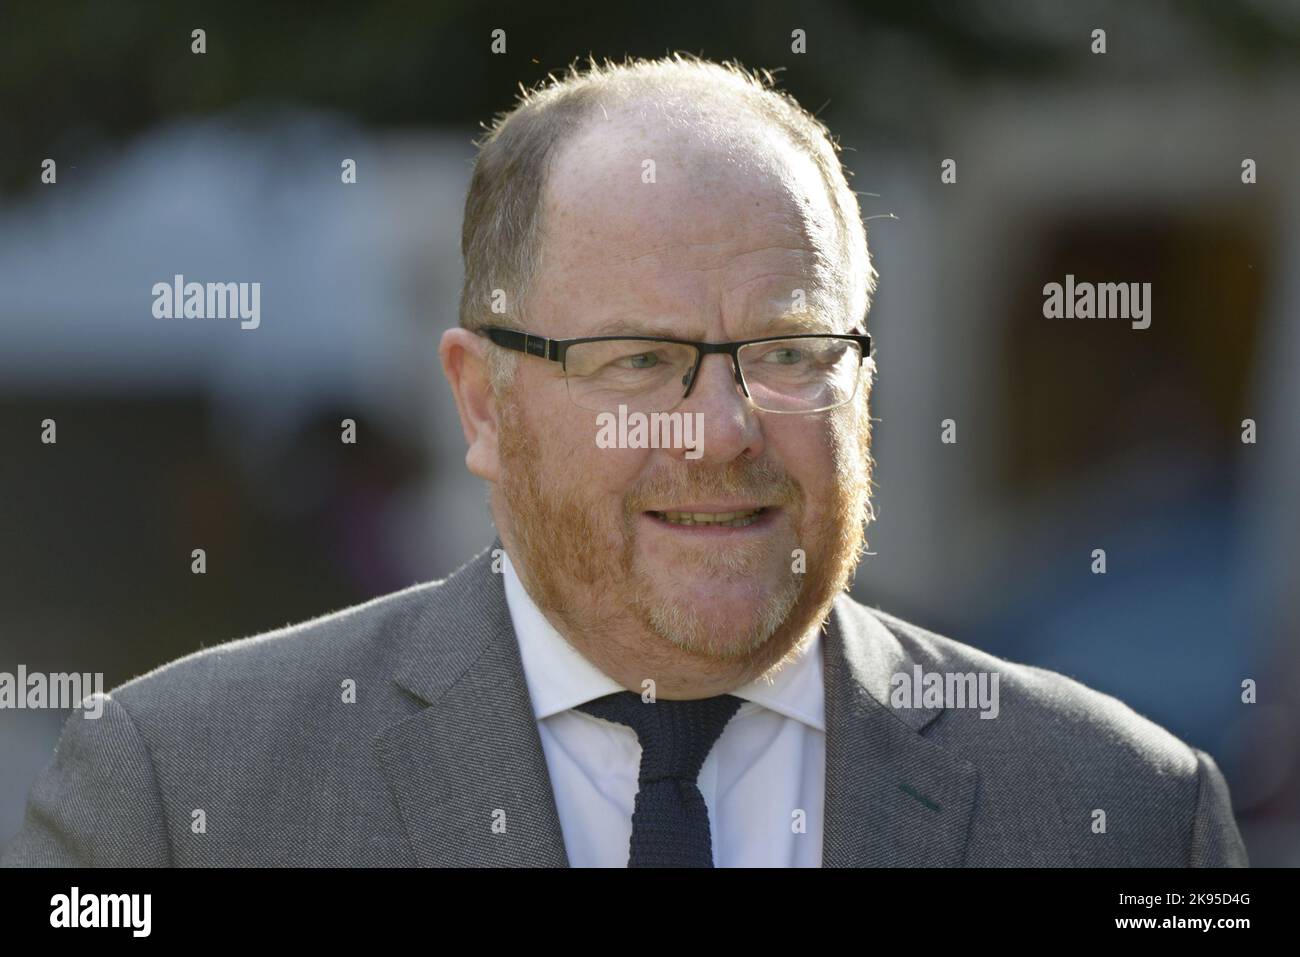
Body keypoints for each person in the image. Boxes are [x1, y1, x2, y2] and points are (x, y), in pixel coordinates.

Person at [2, 55, 1247, 867]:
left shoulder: (1127, 818)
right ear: (481, 405)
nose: (722, 430)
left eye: (789, 349)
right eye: (640, 360)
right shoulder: (177, 801)